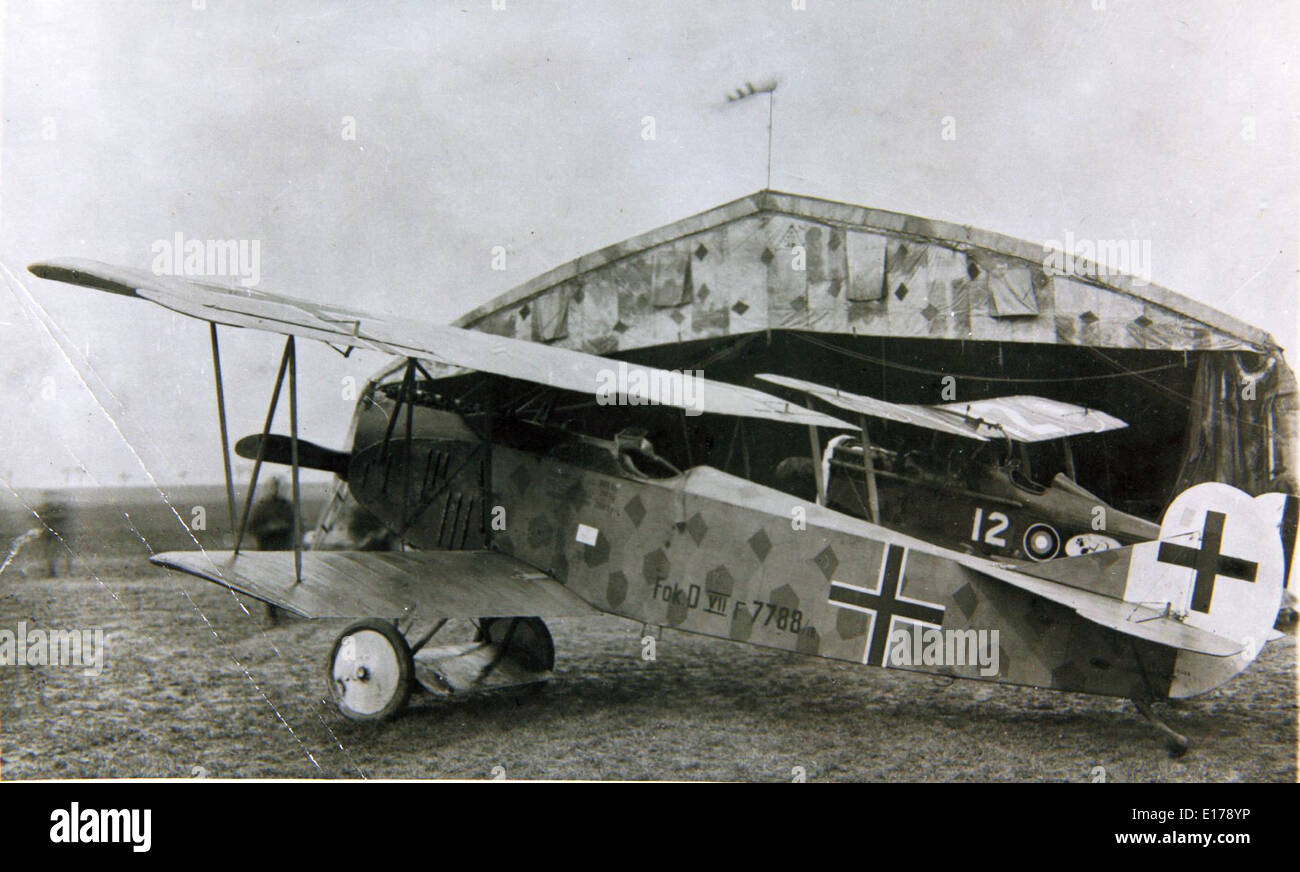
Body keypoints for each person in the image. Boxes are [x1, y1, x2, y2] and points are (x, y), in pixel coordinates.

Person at [249, 478, 295, 625]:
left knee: (283, 580)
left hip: (283, 548)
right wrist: (268, 528)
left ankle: (282, 609)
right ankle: (271, 614)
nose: (275, 490)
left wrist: (282, 527)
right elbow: (252, 527)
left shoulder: (286, 506)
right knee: (269, 582)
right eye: (272, 487)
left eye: (277, 487)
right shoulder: (261, 506)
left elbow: (292, 523)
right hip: (267, 548)